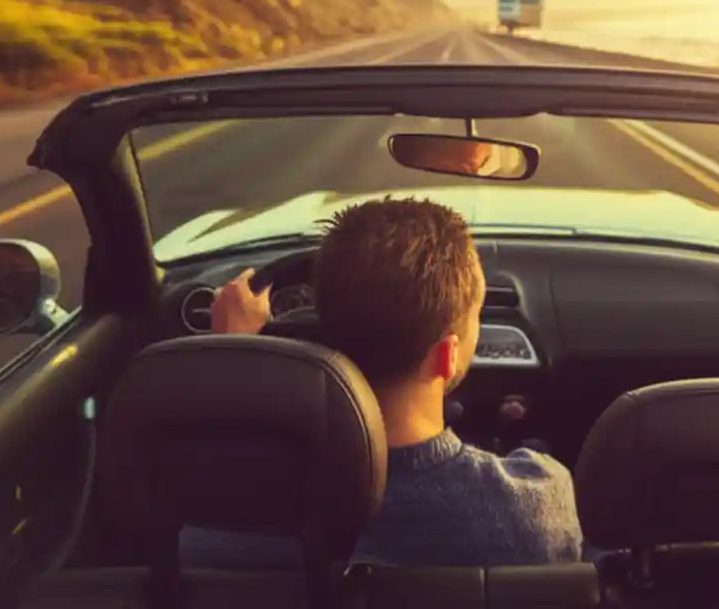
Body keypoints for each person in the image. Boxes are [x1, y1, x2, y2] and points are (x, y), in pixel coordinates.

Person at [195, 196, 583, 567]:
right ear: (446, 356)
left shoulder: (227, 518)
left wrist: (234, 349)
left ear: (321, 330)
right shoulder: (535, 508)